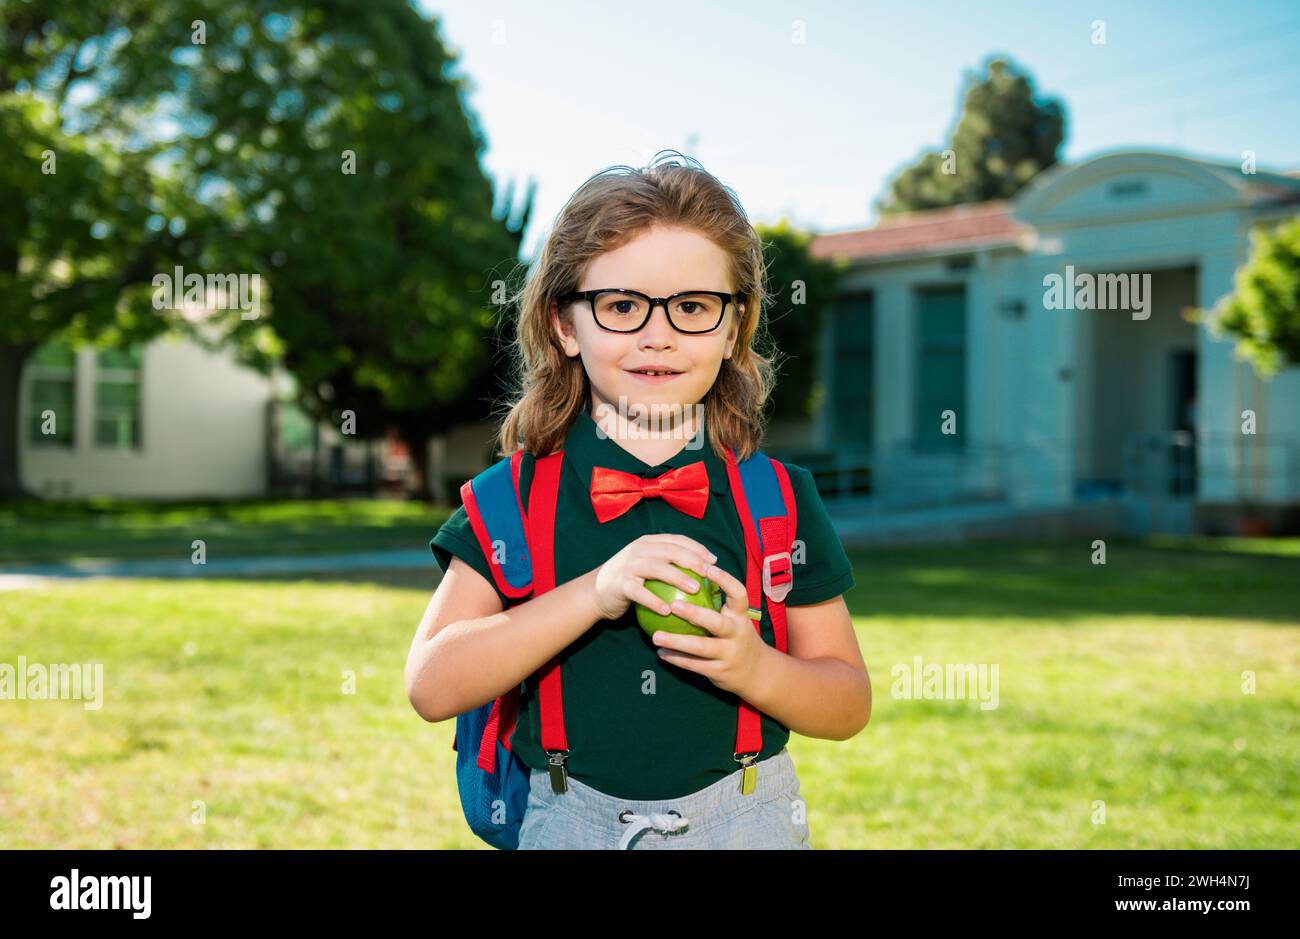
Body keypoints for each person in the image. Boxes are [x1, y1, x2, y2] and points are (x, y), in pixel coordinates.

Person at [406, 151, 871, 849]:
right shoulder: (509, 501)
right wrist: (595, 591)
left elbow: (847, 702)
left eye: (692, 306)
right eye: (622, 305)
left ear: (733, 326)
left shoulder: (779, 499)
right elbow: (432, 686)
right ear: (566, 324)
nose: (658, 334)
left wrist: (756, 666)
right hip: (567, 817)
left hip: (749, 817)